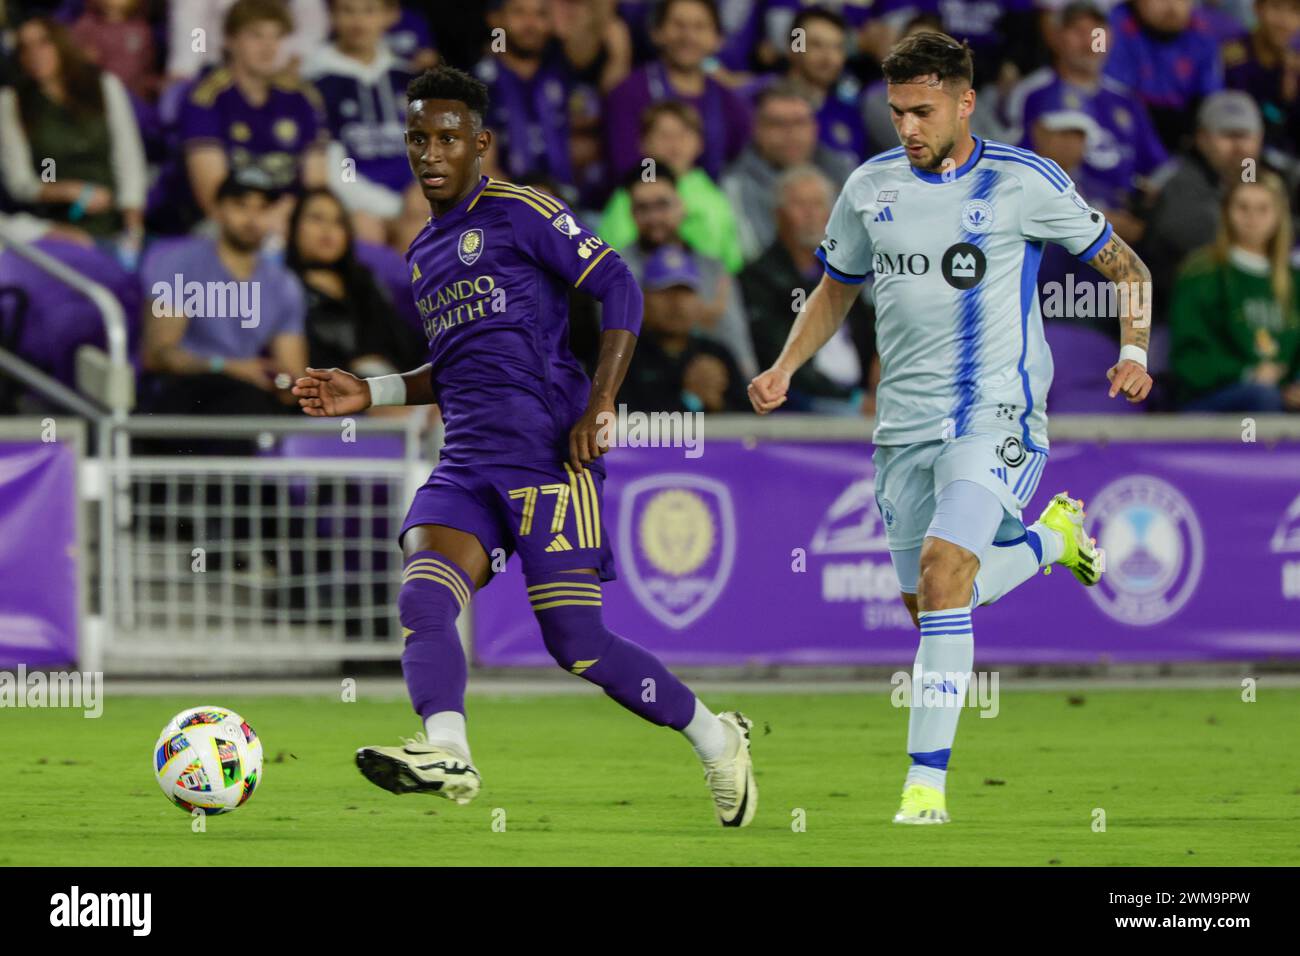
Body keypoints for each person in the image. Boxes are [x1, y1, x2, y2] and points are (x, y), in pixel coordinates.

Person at [292, 66, 758, 827]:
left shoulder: (522, 210)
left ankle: (715, 737)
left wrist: (602, 400)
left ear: (481, 143)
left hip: (546, 454)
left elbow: (620, 287)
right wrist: (369, 391)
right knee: (422, 593)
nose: (430, 152)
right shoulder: (421, 253)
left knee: (577, 645)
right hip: (467, 462)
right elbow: (458, 364)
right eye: (418, 138)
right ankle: (448, 748)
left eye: (448, 137)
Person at [747, 32, 1153, 826]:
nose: (908, 127)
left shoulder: (1023, 181)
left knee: (944, 573)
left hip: (995, 413)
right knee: (930, 603)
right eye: (897, 111)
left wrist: (1133, 348)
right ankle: (1048, 543)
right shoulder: (867, 186)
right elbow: (836, 289)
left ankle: (924, 784)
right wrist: (785, 366)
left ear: (966, 103)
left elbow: (1127, 269)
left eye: (923, 111)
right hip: (902, 424)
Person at [138, 169, 309, 452]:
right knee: (245, 408)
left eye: (263, 208)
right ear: (217, 210)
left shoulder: (283, 284)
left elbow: (293, 375)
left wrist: (281, 381)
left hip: (248, 400)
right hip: (184, 393)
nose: (252, 219)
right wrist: (228, 366)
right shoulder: (179, 264)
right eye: (241, 205)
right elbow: (159, 356)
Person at [0, 16, 146, 255]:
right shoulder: (12, 102)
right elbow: (20, 182)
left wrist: (133, 225)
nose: (35, 54)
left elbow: (129, 158)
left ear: (60, 44)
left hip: (113, 219)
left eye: (43, 43)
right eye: (25, 48)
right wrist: (68, 191)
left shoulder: (103, 86)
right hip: (54, 221)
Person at [741, 165, 876, 414]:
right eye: (800, 205)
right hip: (802, 400)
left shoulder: (847, 270)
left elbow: (872, 332)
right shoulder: (759, 278)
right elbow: (775, 354)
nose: (811, 214)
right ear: (778, 214)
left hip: (861, 395)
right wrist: (856, 400)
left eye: (818, 204)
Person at [1169, 172, 1300, 410]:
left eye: (1263, 209)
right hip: (1212, 398)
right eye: (1243, 208)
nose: (1252, 218)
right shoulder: (1201, 273)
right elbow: (1189, 356)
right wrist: (1248, 373)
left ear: (1279, 215)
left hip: (1280, 397)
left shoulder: (1294, 279)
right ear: (1226, 212)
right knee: (1263, 397)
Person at [303, 0, 421, 247]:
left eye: (369, 10)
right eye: (347, 11)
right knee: (364, 230)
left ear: (390, 15)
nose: (358, 21)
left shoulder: (409, 78)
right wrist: (391, 210)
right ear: (332, 16)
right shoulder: (315, 83)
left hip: (414, 203)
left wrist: (420, 193)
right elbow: (332, 171)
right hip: (356, 205)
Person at [1142, 90, 1265, 320]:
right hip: (1177, 313)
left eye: (1245, 135)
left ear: (1260, 138)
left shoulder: (1271, 179)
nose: (1239, 146)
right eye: (1228, 135)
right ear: (1202, 138)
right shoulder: (1178, 179)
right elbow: (1199, 236)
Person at [602, 0, 752, 182]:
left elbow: (735, 168)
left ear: (718, 39)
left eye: (700, 27)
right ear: (656, 33)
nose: (688, 36)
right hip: (642, 202)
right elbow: (625, 166)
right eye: (678, 25)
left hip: (709, 204)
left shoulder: (730, 104)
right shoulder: (628, 93)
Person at [285, 188, 425, 383]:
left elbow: (403, 343)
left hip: (390, 391)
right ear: (294, 227)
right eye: (317, 218)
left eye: (338, 222)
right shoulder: (283, 286)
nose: (328, 230)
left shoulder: (365, 282)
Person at [598, 101, 743, 272]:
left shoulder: (715, 195)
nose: (674, 144)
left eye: (683, 134)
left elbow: (731, 262)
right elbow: (616, 256)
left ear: (700, 143)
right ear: (644, 144)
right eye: (663, 135)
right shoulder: (629, 195)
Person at [721, 81, 856, 262]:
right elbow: (754, 255)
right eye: (778, 124)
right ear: (757, 129)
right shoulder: (737, 184)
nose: (791, 133)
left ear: (814, 127)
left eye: (799, 122)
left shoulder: (843, 170)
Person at [619, 245, 750, 413]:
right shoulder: (622, 358)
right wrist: (691, 399)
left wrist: (717, 404)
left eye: (685, 291)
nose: (677, 303)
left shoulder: (718, 354)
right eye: (664, 291)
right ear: (643, 300)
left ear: (698, 300)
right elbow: (623, 425)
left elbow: (748, 422)